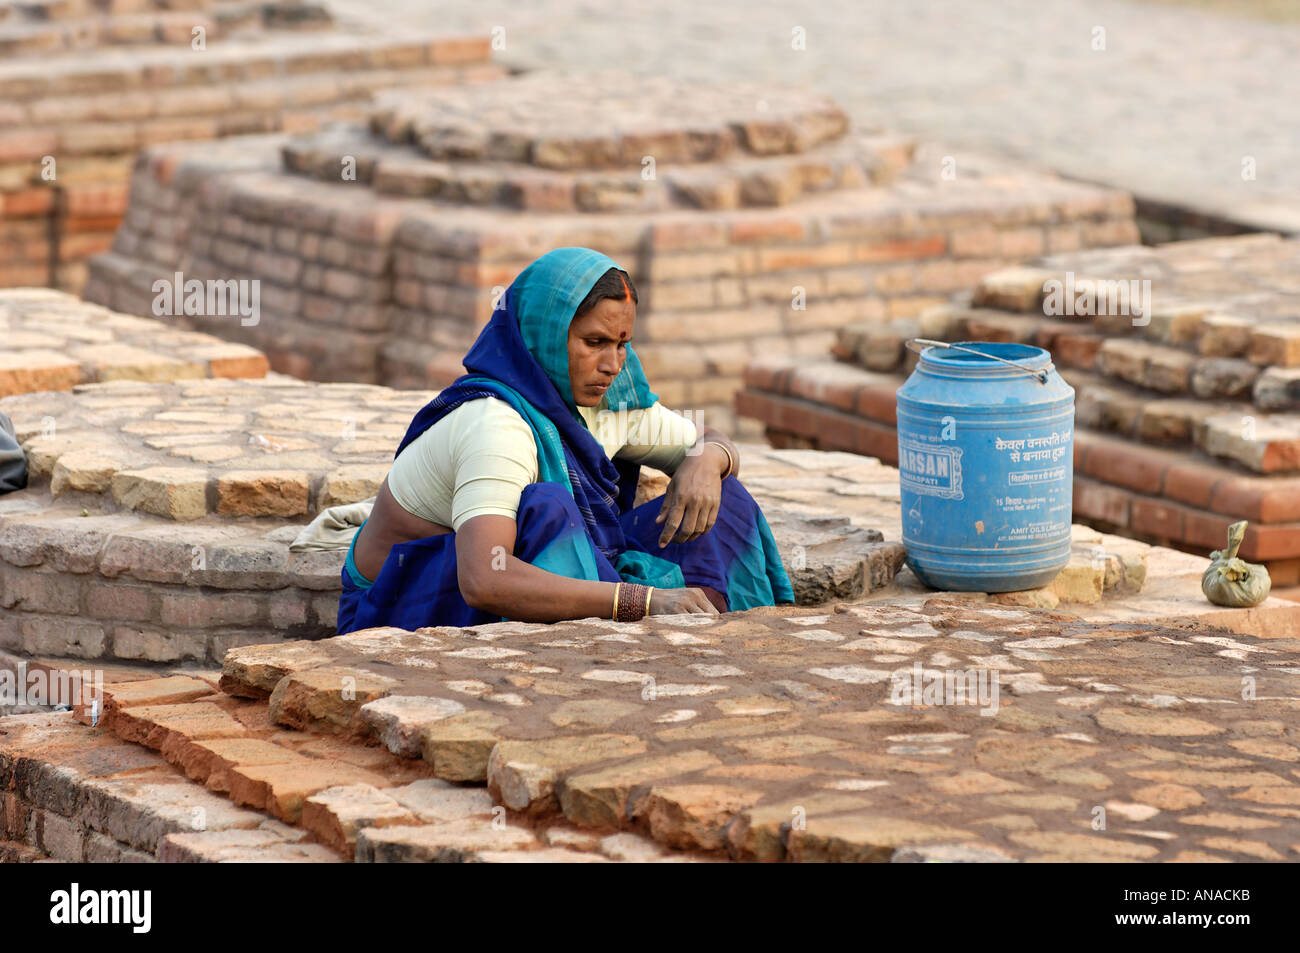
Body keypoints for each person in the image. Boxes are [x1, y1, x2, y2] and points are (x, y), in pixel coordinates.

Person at [336, 246, 793, 632]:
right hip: (407, 602)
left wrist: (707, 460)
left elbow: (712, 441)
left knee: (722, 494)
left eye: (622, 343)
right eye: (594, 342)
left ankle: (723, 629)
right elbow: (483, 578)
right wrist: (643, 602)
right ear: (545, 339)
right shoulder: (497, 425)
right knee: (549, 508)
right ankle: (592, 651)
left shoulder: (610, 401)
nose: (613, 364)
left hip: (529, 571)